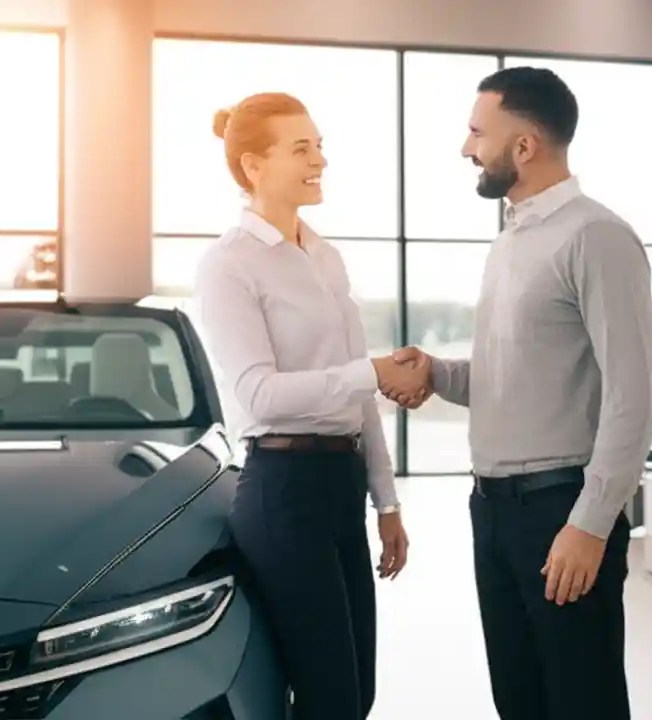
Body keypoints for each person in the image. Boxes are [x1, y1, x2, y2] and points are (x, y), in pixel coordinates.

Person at [386, 67, 652, 720]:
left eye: (478, 132)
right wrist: (435, 373)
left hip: (560, 510)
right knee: (520, 701)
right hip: (494, 511)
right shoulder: (512, 242)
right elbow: (508, 379)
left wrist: (591, 524)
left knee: (581, 701)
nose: (465, 147)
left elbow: (636, 393)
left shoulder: (595, 237)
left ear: (525, 146)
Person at [192, 92, 428, 720]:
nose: (319, 159)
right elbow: (259, 394)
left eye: (320, 145)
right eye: (302, 148)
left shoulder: (326, 258)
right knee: (330, 698)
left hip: (340, 486)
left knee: (358, 691)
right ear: (253, 165)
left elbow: (359, 391)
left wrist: (387, 501)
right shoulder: (229, 264)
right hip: (282, 491)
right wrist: (370, 371)